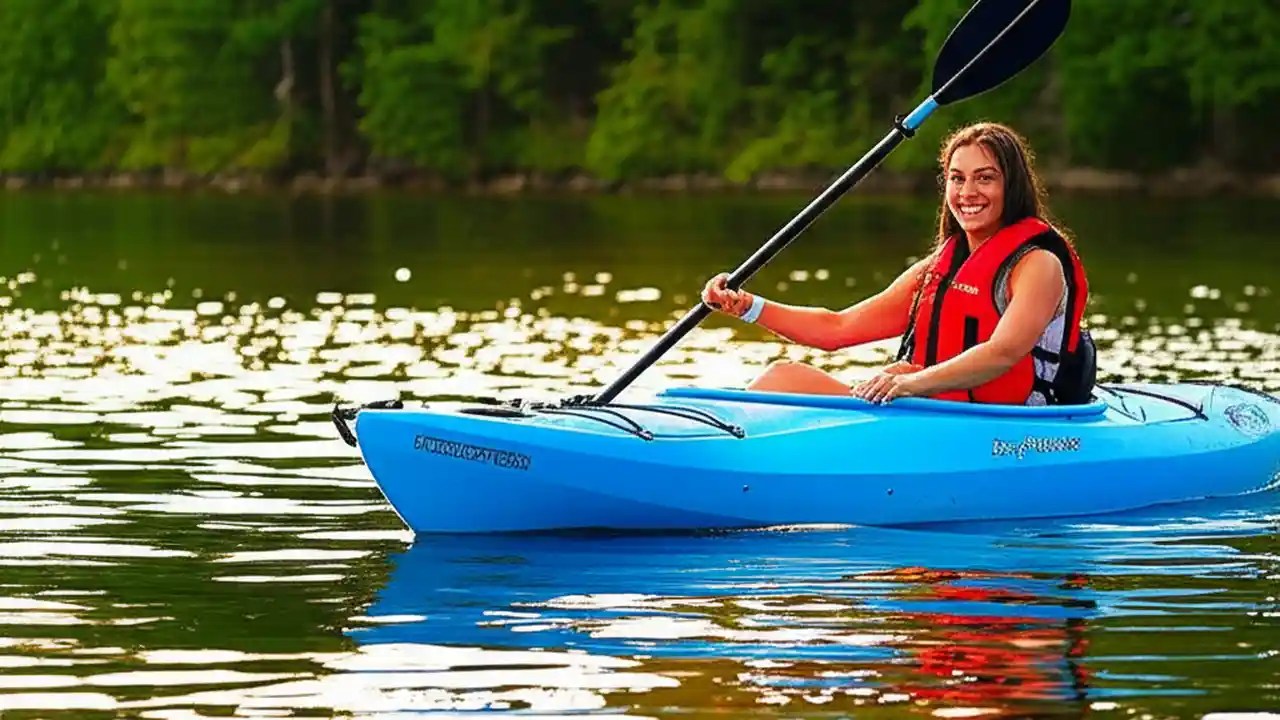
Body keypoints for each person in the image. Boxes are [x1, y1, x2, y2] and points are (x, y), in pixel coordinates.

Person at [701, 121, 1095, 406]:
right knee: (783, 377)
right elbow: (837, 328)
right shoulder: (936, 270)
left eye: (985, 178)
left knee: (884, 378)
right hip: (929, 412)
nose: (968, 192)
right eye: (957, 179)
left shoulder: (1038, 265)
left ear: (1012, 185)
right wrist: (748, 306)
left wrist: (911, 383)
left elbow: (1003, 353)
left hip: (1002, 429)